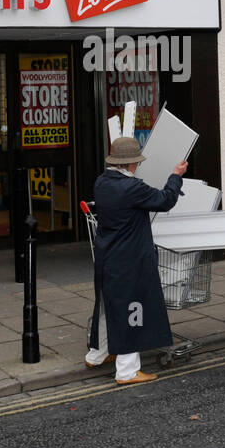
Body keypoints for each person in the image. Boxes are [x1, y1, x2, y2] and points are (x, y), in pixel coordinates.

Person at [85, 136, 188, 385]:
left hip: (107, 254)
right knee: (133, 309)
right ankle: (127, 371)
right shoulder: (132, 188)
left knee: (108, 305)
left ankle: (96, 355)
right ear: (131, 164)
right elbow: (165, 200)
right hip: (129, 258)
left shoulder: (102, 182)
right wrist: (176, 175)